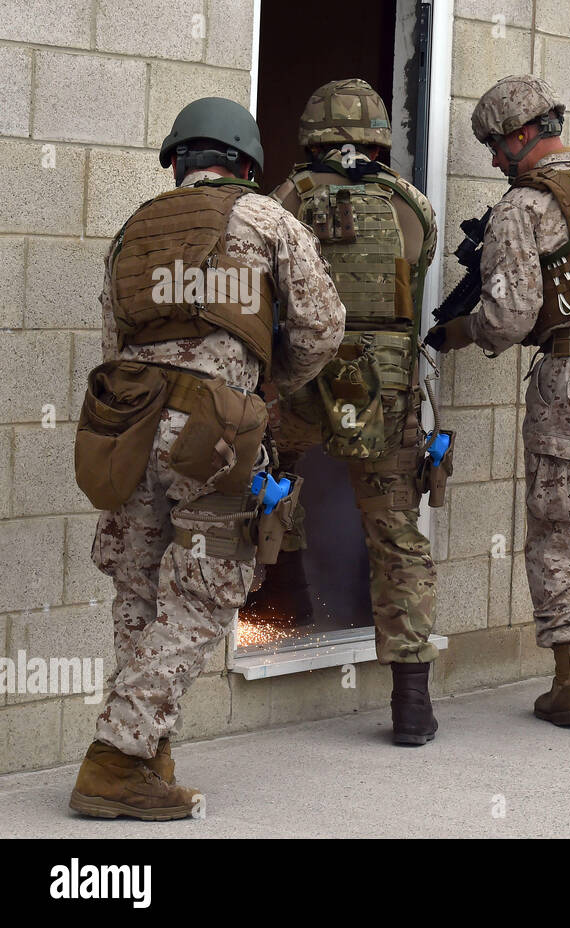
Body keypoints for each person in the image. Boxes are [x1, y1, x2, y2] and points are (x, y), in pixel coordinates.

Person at [70, 97, 345, 819]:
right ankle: (117, 758)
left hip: (126, 418)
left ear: (177, 162)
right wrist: (264, 383)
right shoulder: (268, 218)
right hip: (212, 426)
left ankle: (147, 755)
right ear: (245, 163)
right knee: (206, 589)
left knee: (139, 587)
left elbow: (113, 335)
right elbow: (321, 328)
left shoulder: (133, 229)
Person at [428, 74, 570, 724]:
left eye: (498, 147)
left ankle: (568, 683)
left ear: (525, 135)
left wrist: (460, 330)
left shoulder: (523, 207)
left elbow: (510, 317)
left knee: (559, 532)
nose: (495, 161)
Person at [266, 78, 441, 746]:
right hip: (386, 391)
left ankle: (284, 611)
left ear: (312, 136)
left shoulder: (285, 200)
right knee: (397, 535)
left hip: (302, 382)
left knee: (270, 492)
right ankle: (410, 705)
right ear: (378, 139)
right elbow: (416, 276)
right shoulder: (411, 203)